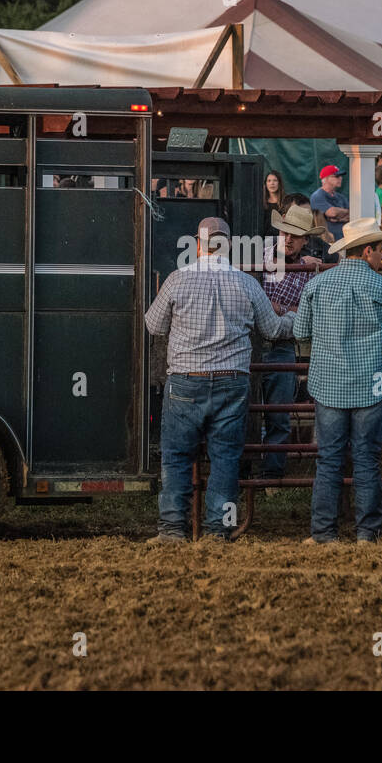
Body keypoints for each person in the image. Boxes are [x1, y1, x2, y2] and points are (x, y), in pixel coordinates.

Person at [145, 217, 295, 543]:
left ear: (197, 244)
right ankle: (218, 528)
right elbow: (272, 330)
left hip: (186, 379)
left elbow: (154, 326)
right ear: (228, 245)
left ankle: (172, 528)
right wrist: (300, 318)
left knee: (177, 456)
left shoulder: (176, 280)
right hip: (232, 381)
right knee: (226, 458)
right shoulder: (247, 283)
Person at [294, 218, 382, 544]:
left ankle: (324, 532)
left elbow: (300, 332)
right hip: (370, 382)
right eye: (380, 250)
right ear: (367, 251)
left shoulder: (317, 285)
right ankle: (368, 532)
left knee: (329, 459)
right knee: (367, 459)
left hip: (329, 383)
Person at [257, 205, 324, 480]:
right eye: (286, 232)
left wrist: (277, 307)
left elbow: (306, 314)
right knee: (249, 411)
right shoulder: (259, 256)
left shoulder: (309, 270)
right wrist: (287, 309)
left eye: (296, 235)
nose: (289, 239)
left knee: (278, 413)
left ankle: (272, 473)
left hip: (279, 345)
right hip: (255, 344)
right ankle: (249, 469)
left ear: (305, 240)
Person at [310, 164, 349, 240]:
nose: (340, 178)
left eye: (340, 176)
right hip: (328, 241)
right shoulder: (317, 196)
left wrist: (337, 217)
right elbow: (332, 212)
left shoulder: (341, 197)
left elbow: (351, 214)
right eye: (337, 176)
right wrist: (342, 214)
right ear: (326, 179)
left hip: (344, 238)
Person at [262, 169, 285, 236]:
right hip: (265, 240)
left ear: (279, 183)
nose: (272, 183)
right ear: (265, 184)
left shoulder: (286, 201)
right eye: (269, 181)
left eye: (275, 180)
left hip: (282, 239)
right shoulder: (261, 202)